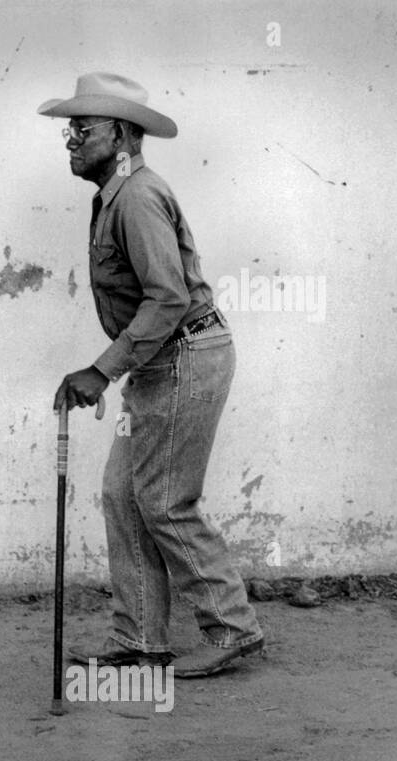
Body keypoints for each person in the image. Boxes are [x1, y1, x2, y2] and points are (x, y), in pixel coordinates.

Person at [40, 73, 263, 678]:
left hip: (186, 353)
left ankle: (232, 629)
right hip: (160, 359)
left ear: (121, 135)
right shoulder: (113, 195)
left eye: (82, 129)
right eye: (71, 128)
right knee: (123, 494)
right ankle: (140, 640)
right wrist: (113, 368)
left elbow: (166, 299)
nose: (71, 139)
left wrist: (100, 371)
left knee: (164, 500)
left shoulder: (136, 197)